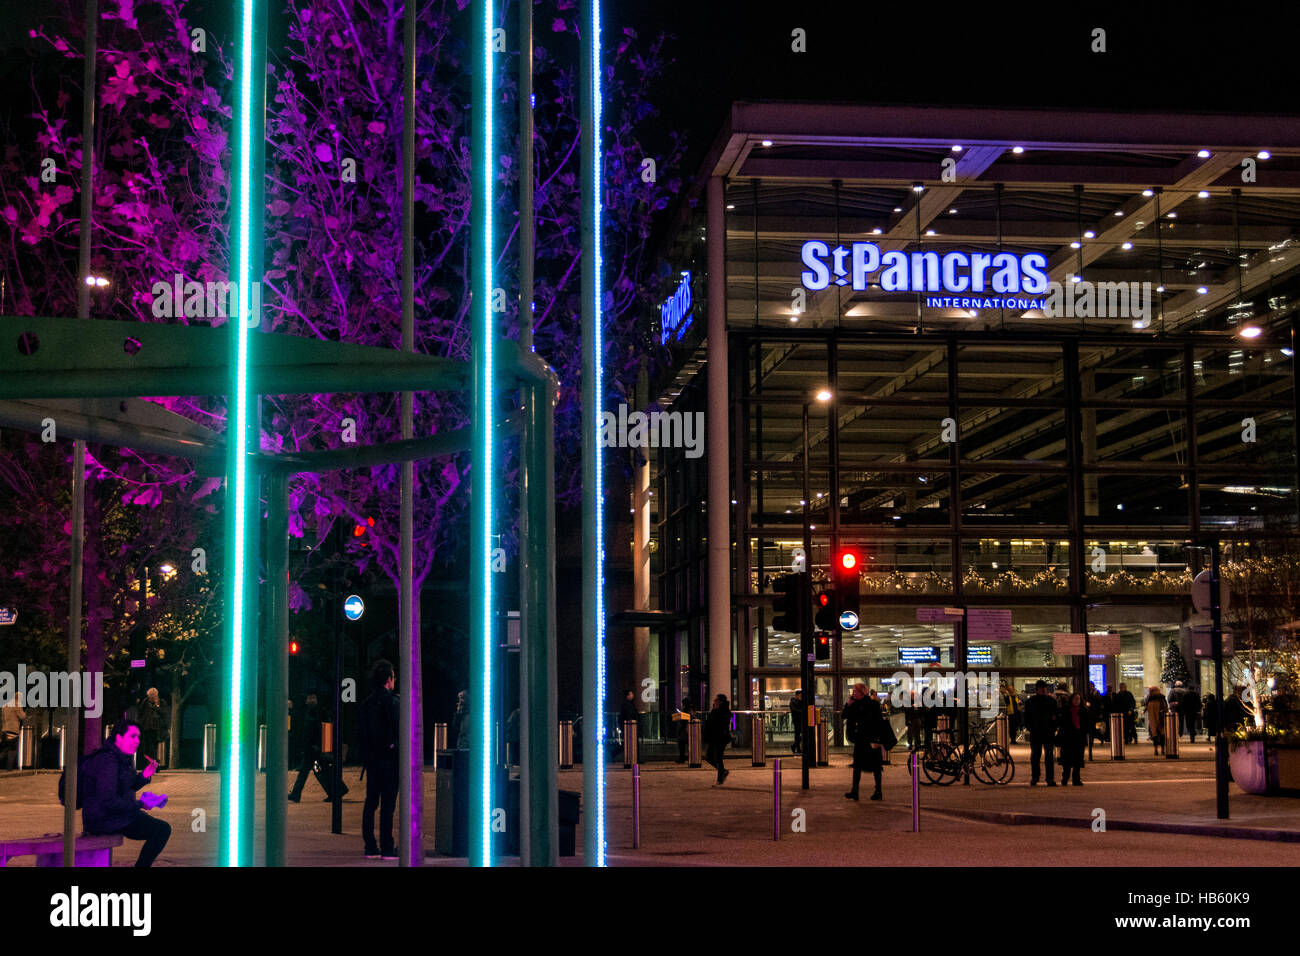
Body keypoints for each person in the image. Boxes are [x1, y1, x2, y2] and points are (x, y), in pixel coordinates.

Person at [81, 718, 170, 867]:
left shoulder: (121, 757)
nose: (137, 741)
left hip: (116, 815)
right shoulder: (107, 761)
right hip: (104, 819)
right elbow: (108, 801)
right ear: (118, 738)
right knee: (161, 830)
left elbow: (126, 786)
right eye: (133, 736)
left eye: (139, 737)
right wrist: (140, 804)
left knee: (160, 828)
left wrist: (144, 776)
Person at [359, 659, 399, 860]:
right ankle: (387, 847)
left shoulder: (367, 703)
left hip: (373, 761)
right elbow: (399, 729)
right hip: (390, 761)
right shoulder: (393, 701)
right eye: (393, 676)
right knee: (388, 806)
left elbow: (362, 733)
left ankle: (370, 845)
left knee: (371, 802)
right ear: (388, 679)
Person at [288, 692, 346, 802]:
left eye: (313, 698)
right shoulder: (316, 711)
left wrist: (316, 745)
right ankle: (337, 791)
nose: (311, 700)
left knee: (306, 771)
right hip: (314, 747)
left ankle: (296, 794)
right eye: (310, 698)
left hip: (313, 748)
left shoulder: (313, 713)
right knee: (323, 770)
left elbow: (314, 730)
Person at [842, 683, 885, 800]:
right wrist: (848, 704)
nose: (853, 693)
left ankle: (878, 791)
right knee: (857, 766)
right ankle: (854, 791)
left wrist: (877, 739)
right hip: (860, 740)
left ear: (862, 693)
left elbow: (878, 722)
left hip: (871, 739)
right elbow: (843, 715)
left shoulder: (873, 704)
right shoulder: (854, 704)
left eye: (855, 691)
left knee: (876, 767)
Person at [1023, 680, 1058, 786]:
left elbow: (1026, 717)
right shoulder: (1050, 701)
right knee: (1039, 756)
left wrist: (1030, 727)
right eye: (1042, 688)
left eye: (1044, 688)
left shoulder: (1032, 702)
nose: (1043, 690)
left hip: (1042, 732)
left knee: (1042, 756)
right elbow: (1026, 717)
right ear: (1038, 689)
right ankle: (1044, 778)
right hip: (1041, 731)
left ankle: (1039, 777)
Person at [1056, 692, 1089, 785]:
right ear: (1071, 700)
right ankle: (1065, 778)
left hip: (1079, 737)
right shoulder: (1066, 710)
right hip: (1068, 737)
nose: (1077, 701)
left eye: (1078, 699)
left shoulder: (1083, 710)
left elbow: (1086, 723)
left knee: (1077, 760)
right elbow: (1062, 723)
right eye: (1075, 699)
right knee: (1066, 760)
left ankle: (1076, 779)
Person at [703, 694, 731, 784]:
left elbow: (720, 724)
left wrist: (715, 711)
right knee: (709, 757)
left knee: (718, 757)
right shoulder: (715, 710)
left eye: (716, 700)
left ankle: (720, 778)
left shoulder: (724, 711)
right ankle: (723, 771)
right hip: (713, 737)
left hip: (720, 738)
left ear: (720, 702)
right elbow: (709, 723)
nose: (714, 701)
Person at [137, 687, 168, 766]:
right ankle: (151, 763)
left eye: (153, 695)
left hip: (157, 729)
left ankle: (154, 763)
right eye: (150, 695)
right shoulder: (145, 702)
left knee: (154, 747)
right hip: (146, 728)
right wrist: (140, 724)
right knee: (146, 748)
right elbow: (140, 713)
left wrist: (157, 706)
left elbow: (164, 713)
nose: (152, 697)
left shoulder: (161, 702)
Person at [1, 691, 26, 770]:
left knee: (5, 749)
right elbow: (22, 716)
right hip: (13, 730)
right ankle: (9, 767)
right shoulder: (17, 704)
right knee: (13, 749)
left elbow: (2, 718)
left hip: (5, 729)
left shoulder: (5, 705)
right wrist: (25, 714)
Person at [1145, 685, 1169, 755]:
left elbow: (1146, 707)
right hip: (1160, 719)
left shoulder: (1149, 699)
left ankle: (1156, 749)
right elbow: (1165, 708)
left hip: (1153, 719)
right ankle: (1162, 749)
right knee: (1161, 733)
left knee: (1154, 734)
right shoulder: (1161, 698)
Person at [675, 698, 693, 763]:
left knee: (682, 744)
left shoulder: (687, 710)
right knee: (684, 744)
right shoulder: (690, 710)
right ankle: (684, 758)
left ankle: (682, 758)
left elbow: (685, 720)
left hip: (685, 729)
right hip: (686, 729)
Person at [789, 689, 805, 754]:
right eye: (800, 695)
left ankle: (794, 746)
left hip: (801, 720)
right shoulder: (792, 702)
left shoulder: (801, 701)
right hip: (796, 720)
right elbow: (794, 710)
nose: (801, 697)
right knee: (797, 734)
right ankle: (797, 748)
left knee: (802, 734)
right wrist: (802, 712)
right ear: (797, 695)